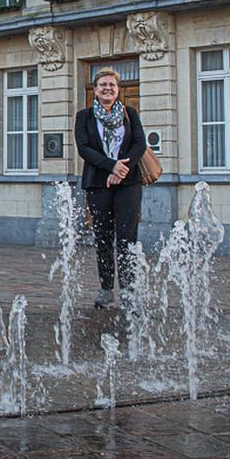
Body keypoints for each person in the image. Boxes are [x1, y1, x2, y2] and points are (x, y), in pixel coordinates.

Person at [74, 67, 146, 309]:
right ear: (96, 90)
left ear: (118, 90)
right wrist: (111, 166)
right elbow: (84, 148)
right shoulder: (84, 116)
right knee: (103, 236)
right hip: (98, 183)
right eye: (103, 84)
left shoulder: (130, 113)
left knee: (127, 237)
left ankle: (128, 289)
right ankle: (106, 288)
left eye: (112, 85)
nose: (107, 88)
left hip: (129, 183)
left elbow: (139, 144)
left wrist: (122, 169)